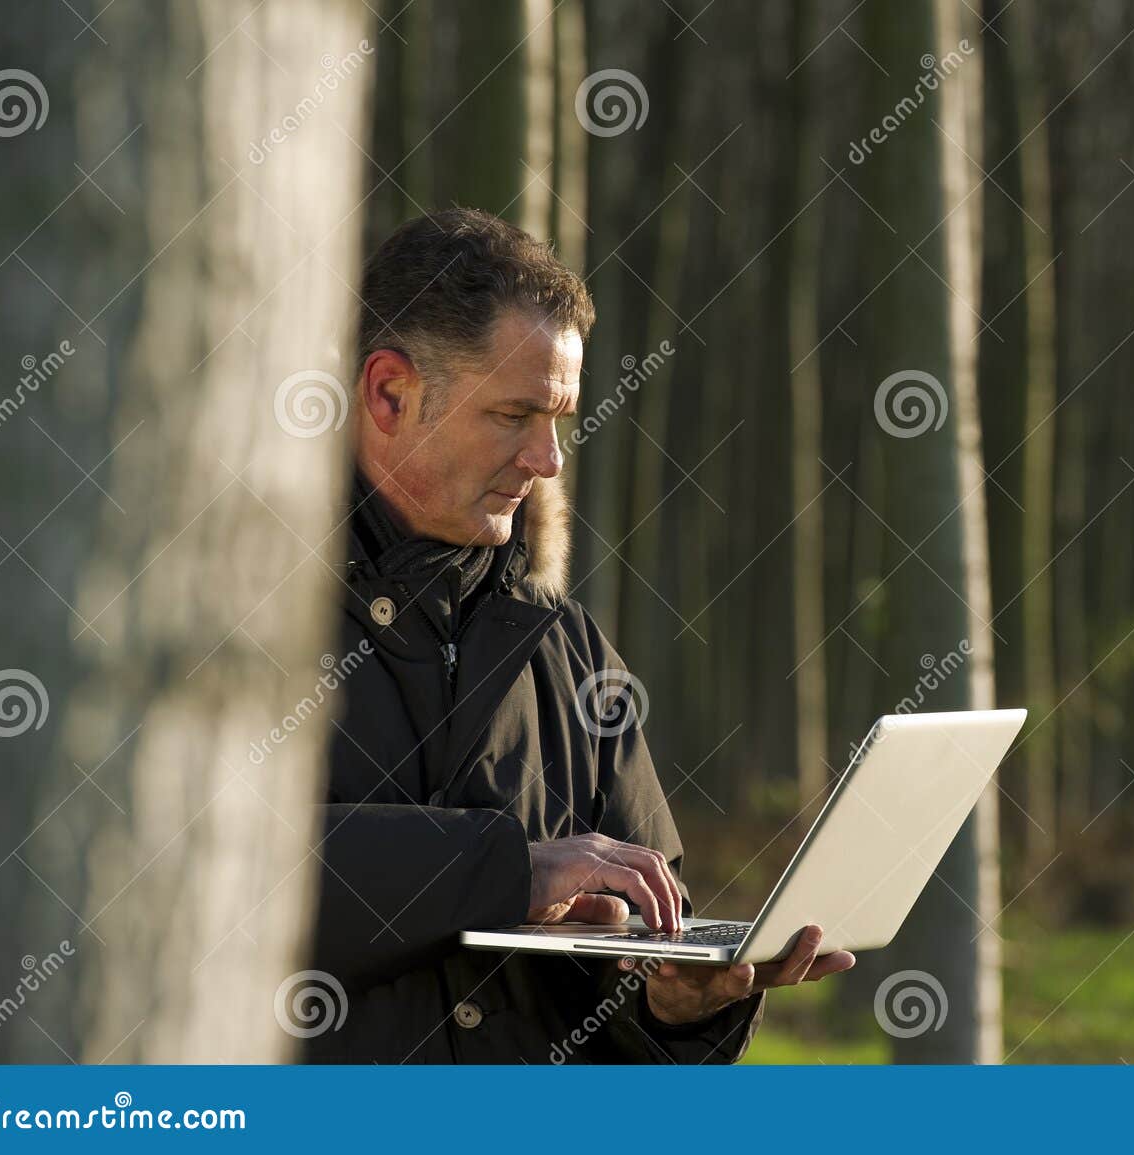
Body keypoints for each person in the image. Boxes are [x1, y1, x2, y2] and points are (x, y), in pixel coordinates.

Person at [304, 208, 854, 1063]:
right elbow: (203, 868)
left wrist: (683, 1008)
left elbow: (637, 966)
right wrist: (510, 873)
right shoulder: (243, 624)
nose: (550, 458)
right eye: (515, 414)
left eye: (558, 416)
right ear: (388, 393)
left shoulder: (572, 651)